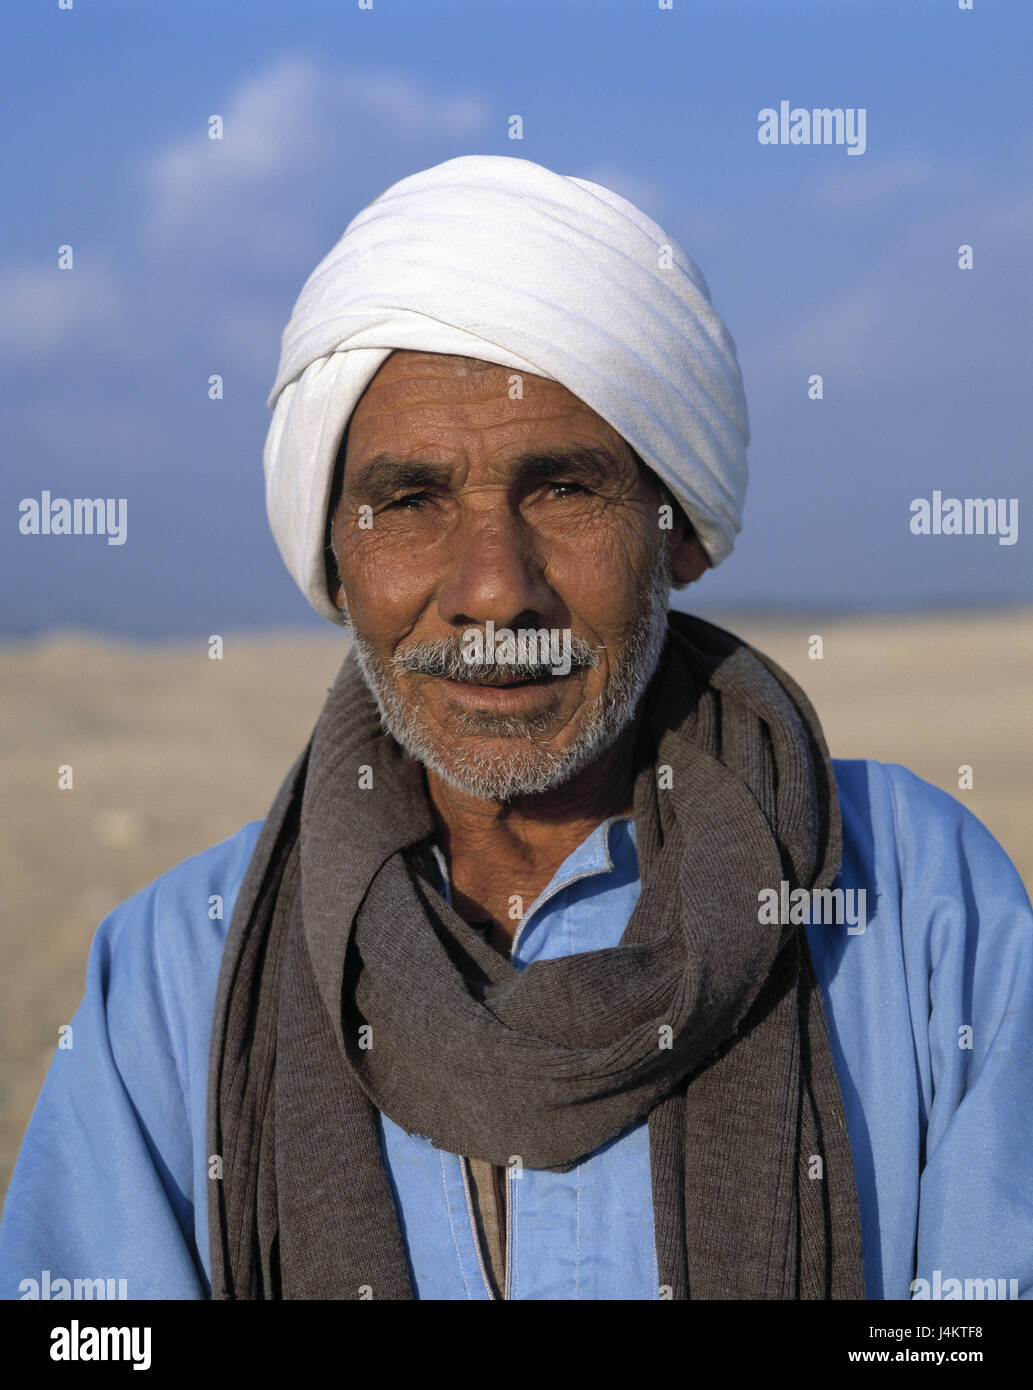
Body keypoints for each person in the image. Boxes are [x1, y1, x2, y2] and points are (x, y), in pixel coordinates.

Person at [2, 156, 1031, 1302]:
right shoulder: (174, 973)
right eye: (411, 501)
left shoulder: (916, 906)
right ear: (334, 561)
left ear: (677, 530)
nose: (495, 590)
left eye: (562, 490)